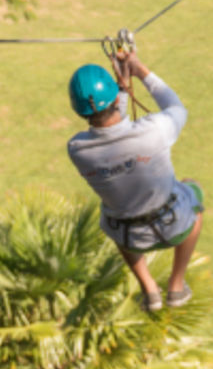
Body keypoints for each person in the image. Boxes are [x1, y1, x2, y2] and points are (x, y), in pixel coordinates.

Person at [66, 51, 204, 311]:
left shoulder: (77, 149)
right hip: (175, 226)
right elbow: (177, 109)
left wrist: (122, 88)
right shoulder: (154, 131)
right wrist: (140, 71)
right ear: (116, 98)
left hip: (129, 236)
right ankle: (176, 284)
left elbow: (108, 124)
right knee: (193, 192)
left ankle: (149, 288)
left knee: (117, 208)